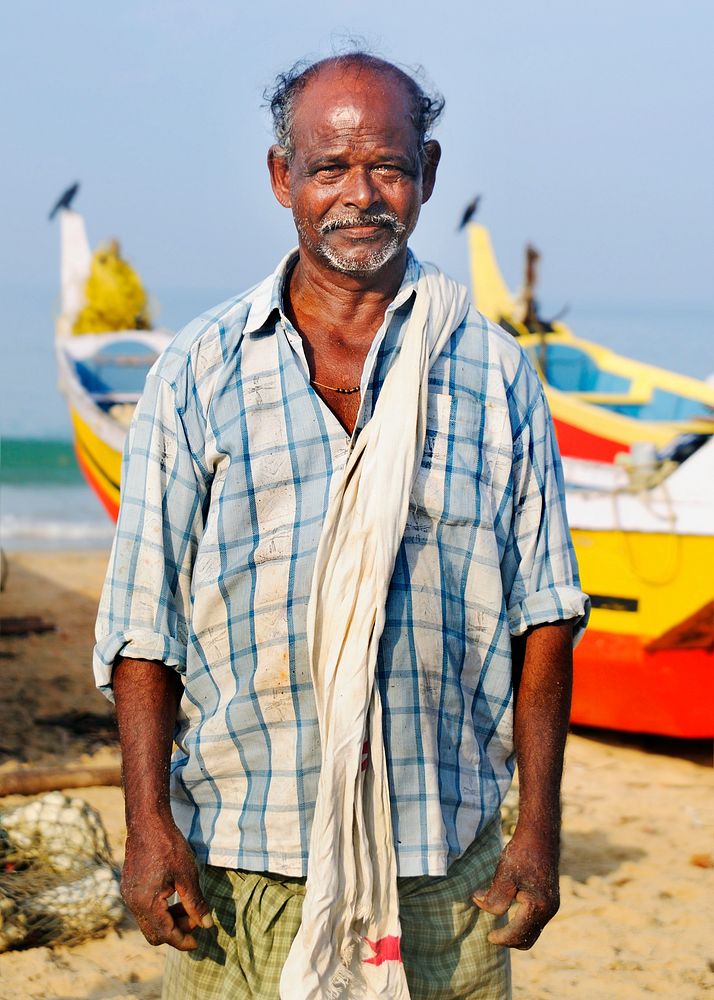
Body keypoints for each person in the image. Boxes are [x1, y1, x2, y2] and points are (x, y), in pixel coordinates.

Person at [94, 51, 589, 1000]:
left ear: (429, 173)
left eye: (388, 168)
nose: (359, 195)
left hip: (446, 862)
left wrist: (538, 831)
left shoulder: (492, 375)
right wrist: (147, 823)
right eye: (329, 169)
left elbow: (546, 620)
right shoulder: (198, 372)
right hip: (241, 860)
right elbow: (141, 618)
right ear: (284, 179)